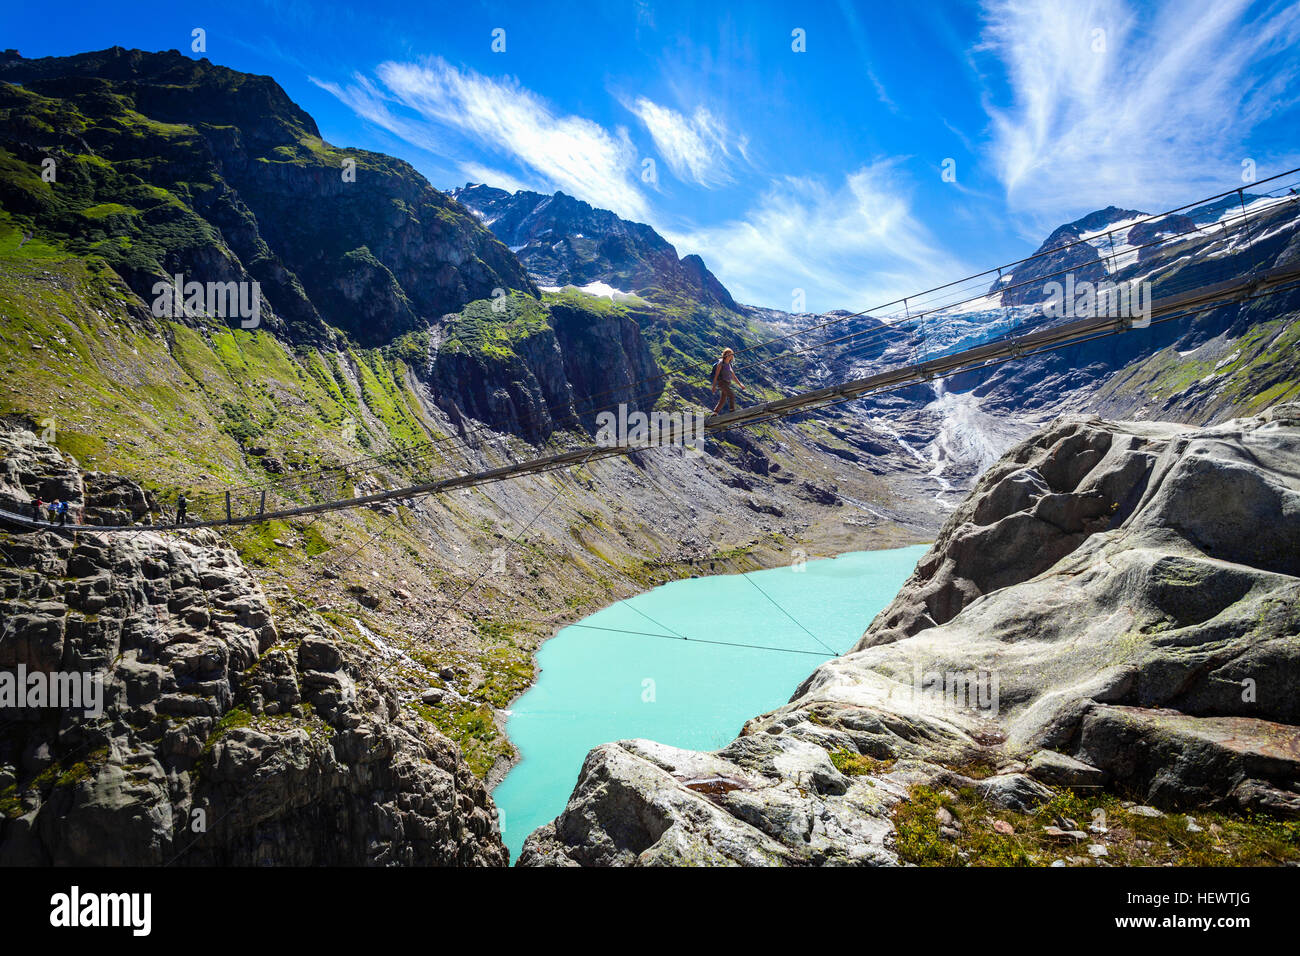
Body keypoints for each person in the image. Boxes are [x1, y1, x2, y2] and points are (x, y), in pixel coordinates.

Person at [711, 347, 746, 414]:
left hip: (727, 383)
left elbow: (733, 377)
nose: (729, 355)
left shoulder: (729, 365)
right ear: (725, 354)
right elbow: (716, 375)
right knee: (731, 395)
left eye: (731, 354)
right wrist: (714, 386)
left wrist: (740, 385)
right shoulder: (721, 363)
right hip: (722, 383)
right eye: (728, 354)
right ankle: (732, 410)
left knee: (723, 399)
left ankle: (715, 412)